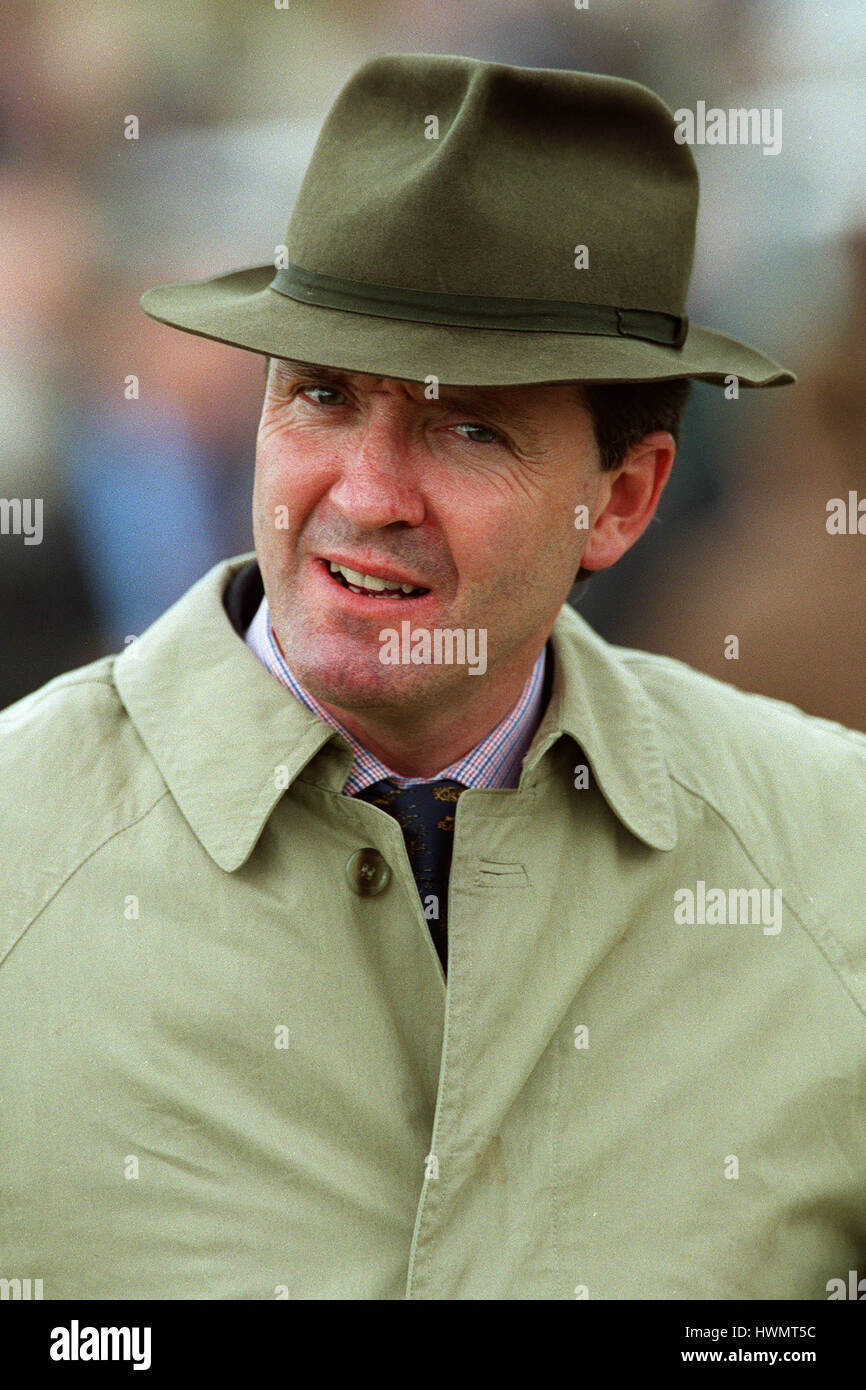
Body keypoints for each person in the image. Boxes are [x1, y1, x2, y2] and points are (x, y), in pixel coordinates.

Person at [1, 53, 864, 1302]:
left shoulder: (832, 866)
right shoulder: (22, 848)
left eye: (467, 427)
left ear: (622, 499)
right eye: (320, 396)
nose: (364, 495)